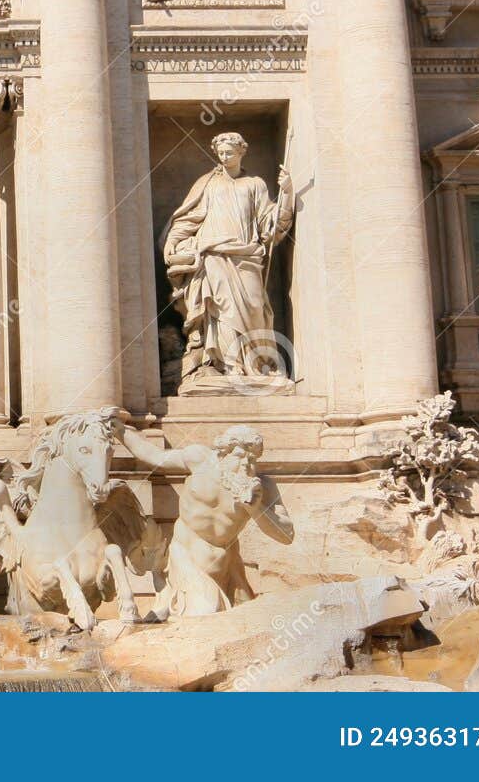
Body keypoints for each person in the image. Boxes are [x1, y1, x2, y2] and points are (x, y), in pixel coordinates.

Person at [118, 423, 293, 617]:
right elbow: (154, 456)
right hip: (187, 557)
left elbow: (286, 535)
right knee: (205, 612)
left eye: (252, 459)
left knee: (246, 618)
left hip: (228, 565)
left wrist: (256, 508)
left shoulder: (263, 487)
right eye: (239, 456)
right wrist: (119, 430)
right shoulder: (200, 459)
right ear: (223, 454)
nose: (246, 464)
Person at [162, 131, 292, 390]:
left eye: (229, 152)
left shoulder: (255, 184)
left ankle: (255, 365)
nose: (224, 157)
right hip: (213, 255)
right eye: (220, 153)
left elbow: (270, 225)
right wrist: (172, 242)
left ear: (241, 152)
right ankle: (229, 366)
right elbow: (188, 219)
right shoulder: (207, 183)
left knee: (255, 307)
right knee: (222, 310)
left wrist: (286, 193)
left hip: (246, 255)